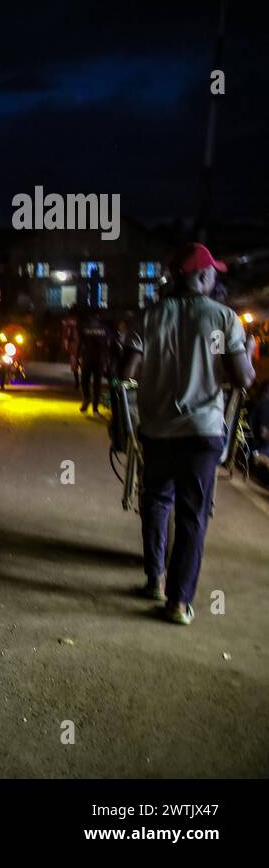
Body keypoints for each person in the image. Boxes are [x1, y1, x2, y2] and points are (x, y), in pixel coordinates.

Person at [120, 243, 254, 625]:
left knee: (157, 501)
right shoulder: (223, 319)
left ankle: (154, 580)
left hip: (158, 430)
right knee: (193, 515)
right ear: (202, 276)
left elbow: (128, 370)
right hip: (202, 433)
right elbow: (243, 377)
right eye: (212, 273)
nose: (215, 279)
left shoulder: (149, 317)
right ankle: (179, 603)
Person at [78, 311, 110, 414]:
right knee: (95, 383)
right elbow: (108, 344)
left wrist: (78, 357)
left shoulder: (85, 328)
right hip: (97, 359)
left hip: (90, 359)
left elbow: (80, 343)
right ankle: (93, 406)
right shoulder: (105, 329)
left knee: (86, 381)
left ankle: (88, 401)